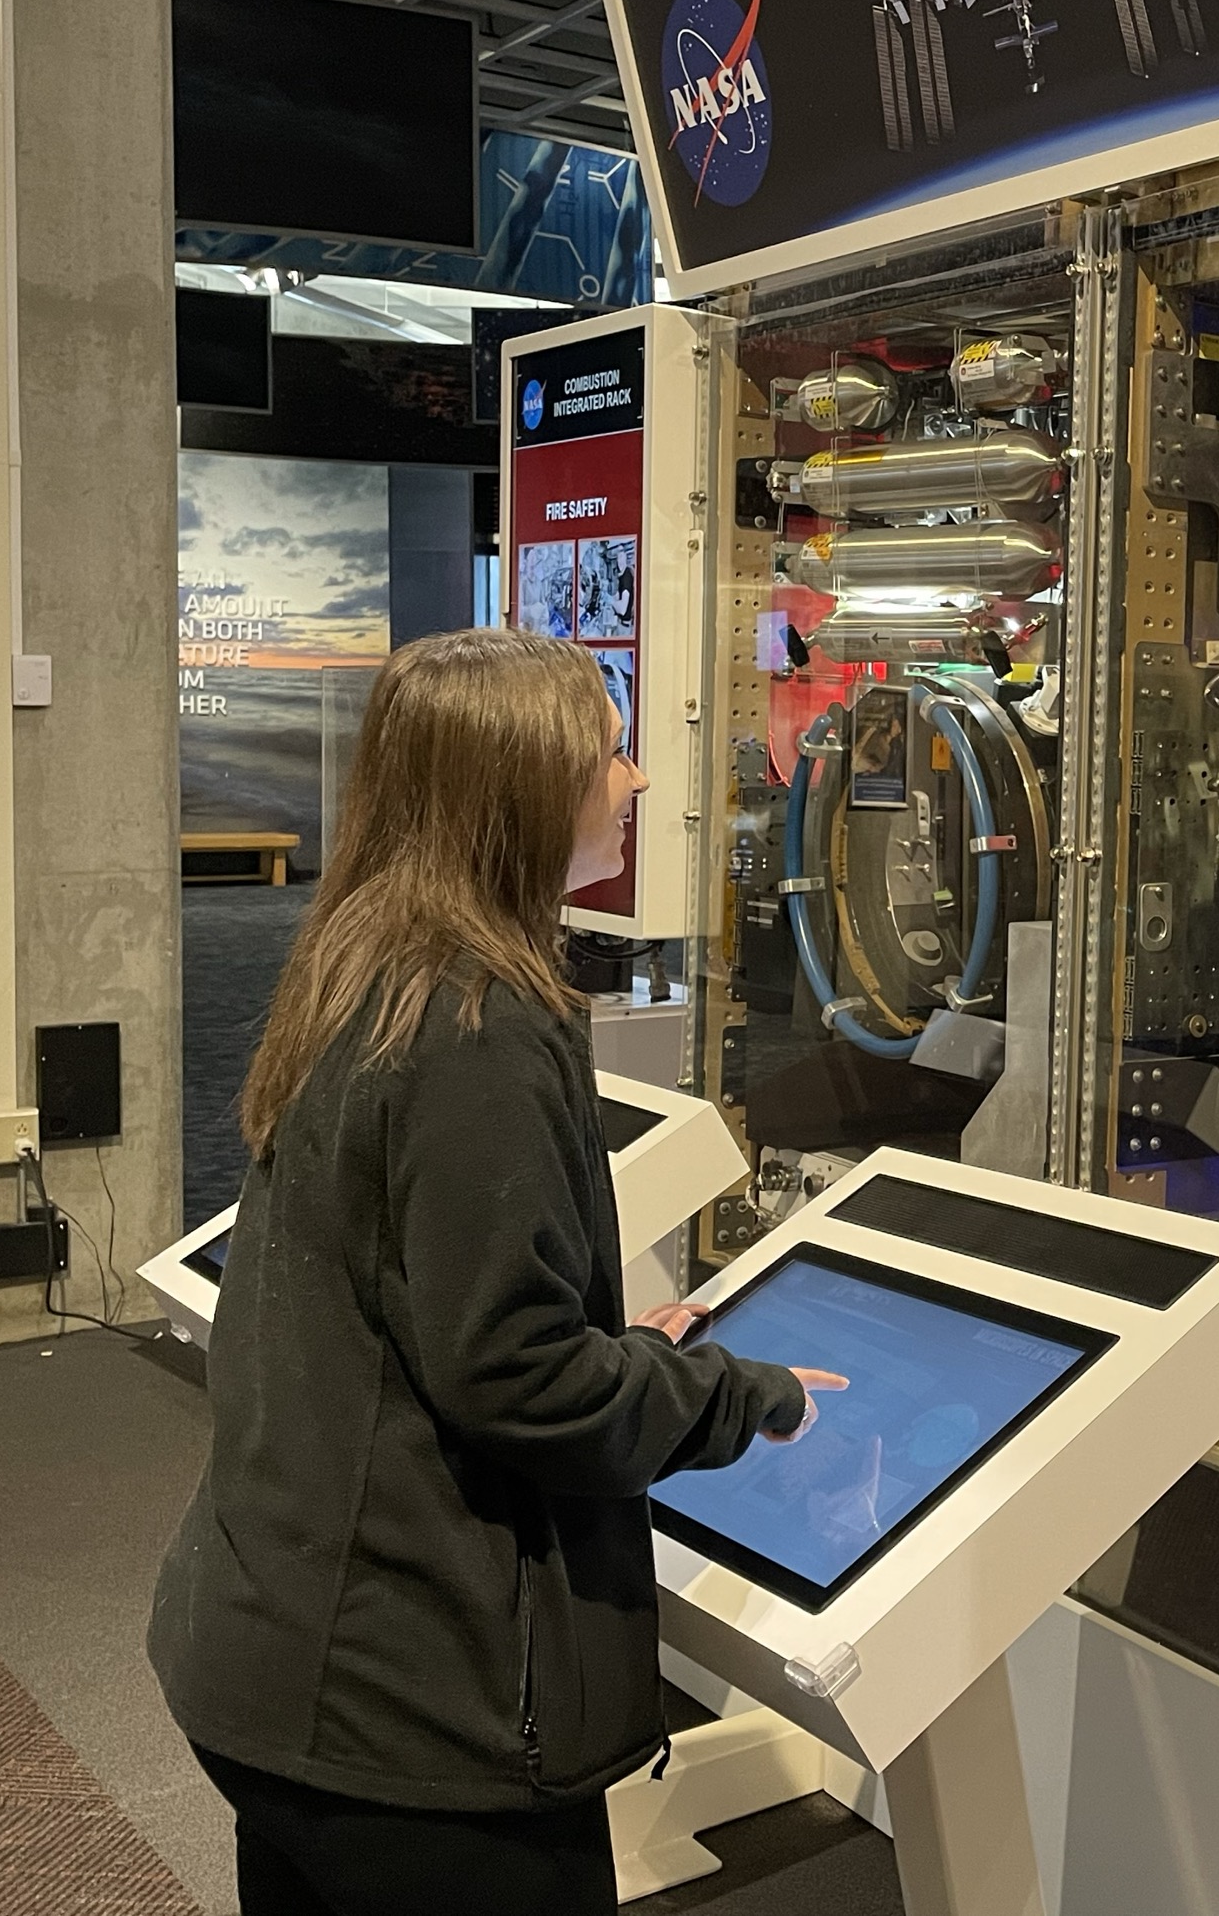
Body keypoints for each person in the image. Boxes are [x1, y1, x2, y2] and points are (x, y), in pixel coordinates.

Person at [150, 628, 845, 1916]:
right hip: (406, 1715)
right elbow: (515, 1382)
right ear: (525, 788)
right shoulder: (479, 1024)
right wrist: (736, 1397)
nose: (635, 782)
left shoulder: (369, 962)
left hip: (282, 1660)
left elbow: (414, 1299)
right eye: (607, 753)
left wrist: (615, 1338)